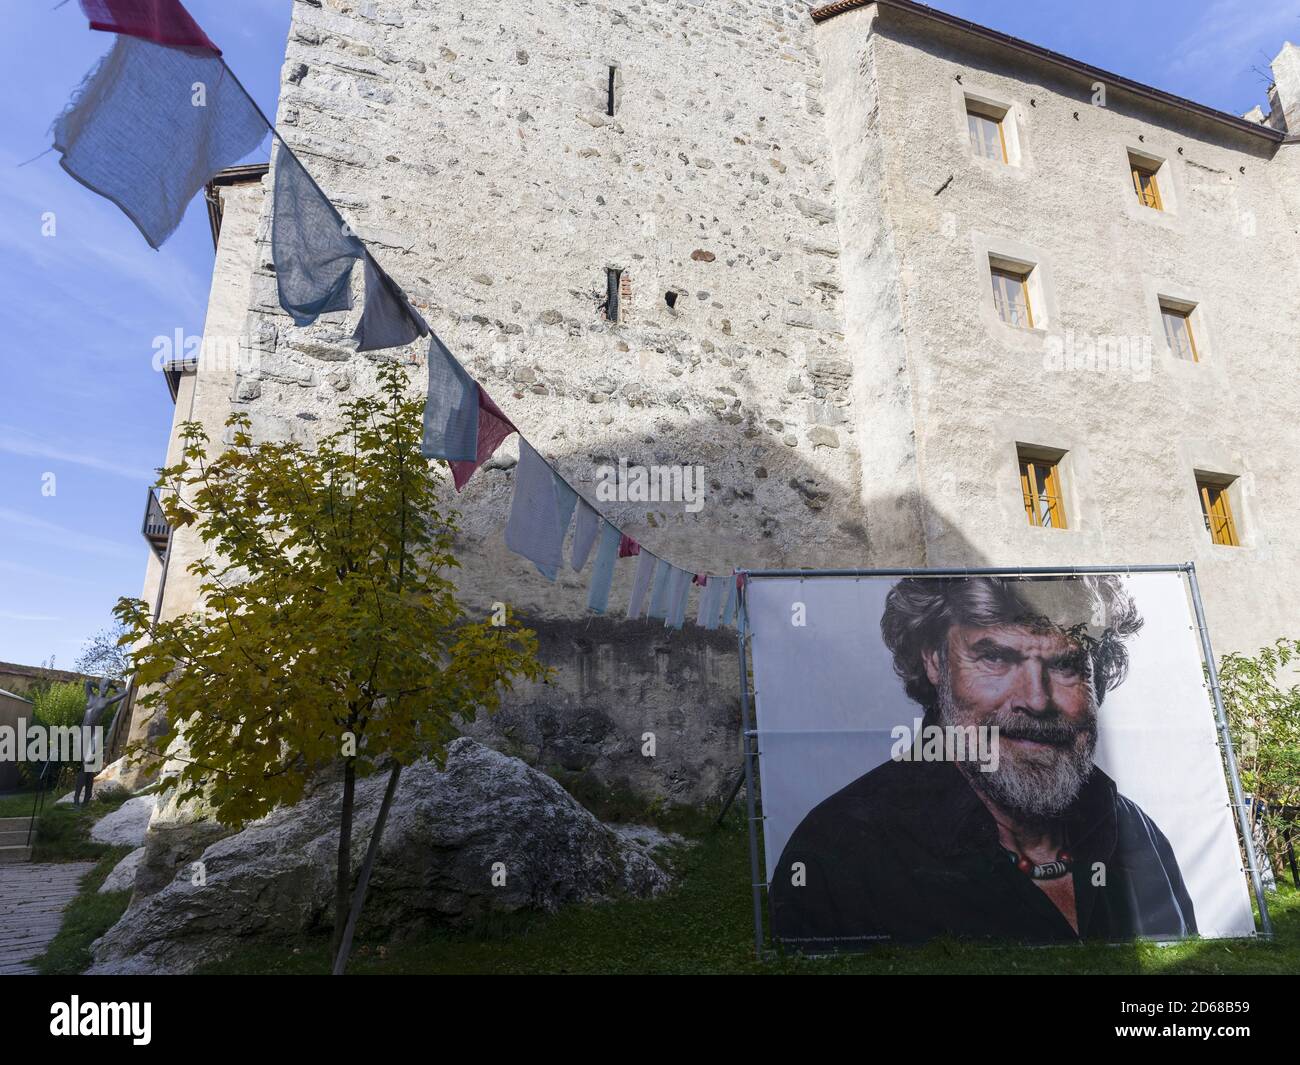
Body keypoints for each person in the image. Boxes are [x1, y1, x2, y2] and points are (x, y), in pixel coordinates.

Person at [770, 575, 1196, 949]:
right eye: (996, 658)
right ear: (934, 661)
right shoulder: (836, 855)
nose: (1035, 699)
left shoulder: (1135, 832)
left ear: (1098, 675)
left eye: (1067, 665)